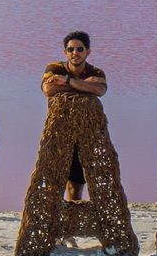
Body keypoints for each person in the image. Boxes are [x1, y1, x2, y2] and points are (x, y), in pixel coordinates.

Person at [40, 30, 108, 203]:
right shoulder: (54, 68)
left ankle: (73, 214)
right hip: (58, 132)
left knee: (76, 185)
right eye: (70, 50)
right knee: (54, 181)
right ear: (65, 52)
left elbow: (100, 90)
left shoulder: (96, 71)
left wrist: (67, 81)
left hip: (86, 134)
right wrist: (85, 86)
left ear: (88, 51)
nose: (75, 53)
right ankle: (56, 219)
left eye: (79, 49)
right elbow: (48, 90)